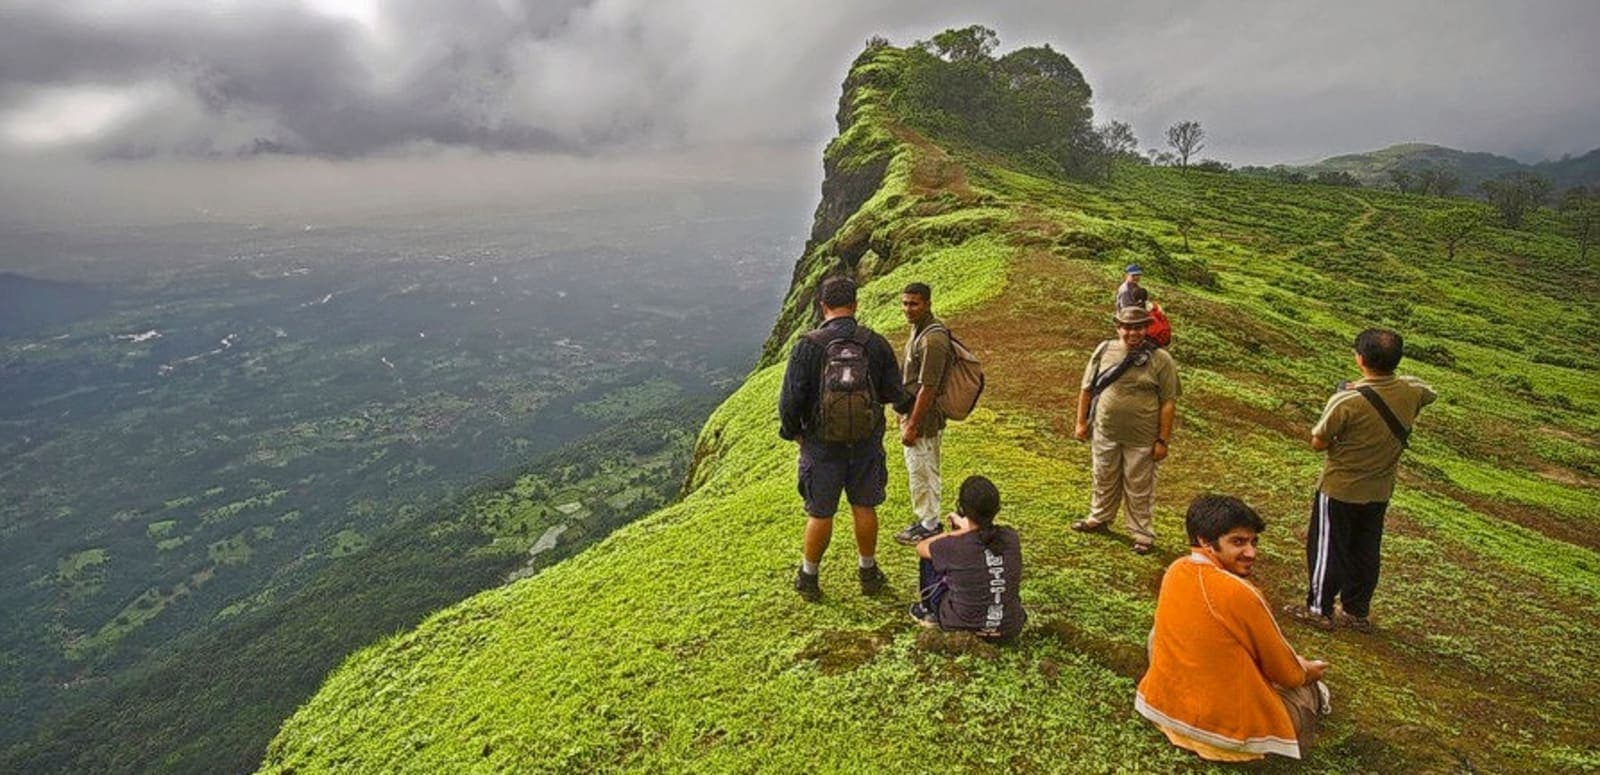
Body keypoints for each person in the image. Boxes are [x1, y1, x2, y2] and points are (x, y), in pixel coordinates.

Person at [1136, 495, 1331, 763]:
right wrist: (1308, 672)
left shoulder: (1175, 570)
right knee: (1307, 687)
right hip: (1229, 739)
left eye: (1253, 542)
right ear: (1205, 541)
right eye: (1238, 542)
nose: (1251, 553)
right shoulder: (1241, 592)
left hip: (1167, 717)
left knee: (1156, 636)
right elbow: (1286, 673)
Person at [1286, 328, 1437, 632]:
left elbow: (1318, 442)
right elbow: (1428, 389)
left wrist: (1354, 389)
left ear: (1360, 358)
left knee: (1328, 547)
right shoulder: (1411, 393)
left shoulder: (1346, 400)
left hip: (1340, 487)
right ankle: (1356, 611)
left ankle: (1319, 609)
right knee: (1365, 550)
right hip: (1379, 490)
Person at [778, 276, 905, 601]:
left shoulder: (809, 346)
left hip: (821, 446)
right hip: (865, 443)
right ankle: (868, 572)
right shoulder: (874, 343)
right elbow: (894, 393)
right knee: (864, 505)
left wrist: (795, 435)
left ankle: (809, 577)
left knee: (820, 512)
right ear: (855, 304)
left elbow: (790, 400)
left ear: (823, 306)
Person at [1071, 306, 1180, 554]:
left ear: (1147, 328)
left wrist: (1162, 440)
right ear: (1117, 326)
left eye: (1139, 327)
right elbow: (1087, 388)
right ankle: (1099, 518)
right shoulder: (1104, 350)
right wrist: (1081, 422)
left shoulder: (1161, 359)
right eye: (1127, 327)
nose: (1133, 333)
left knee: (1139, 486)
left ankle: (1142, 534)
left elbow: (1168, 402)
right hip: (1105, 430)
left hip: (1143, 437)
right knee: (1103, 476)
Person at [908, 475, 1025, 642]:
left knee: (930, 557)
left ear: (962, 509)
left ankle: (928, 611)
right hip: (1008, 628)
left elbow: (921, 547)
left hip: (960, 625)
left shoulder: (952, 544)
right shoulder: (1011, 537)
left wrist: (959, 531)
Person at [892, 282, 952, 547]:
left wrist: (912, 424)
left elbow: (929, 387)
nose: (908, 309)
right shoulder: (919, 330)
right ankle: (926, 519)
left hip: (924, 420)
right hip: (915, 414)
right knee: (922, 469)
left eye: (914, 304)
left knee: (922, 470)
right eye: (905, 303)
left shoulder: (933, 340)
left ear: (927, 303)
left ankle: (929, 525)